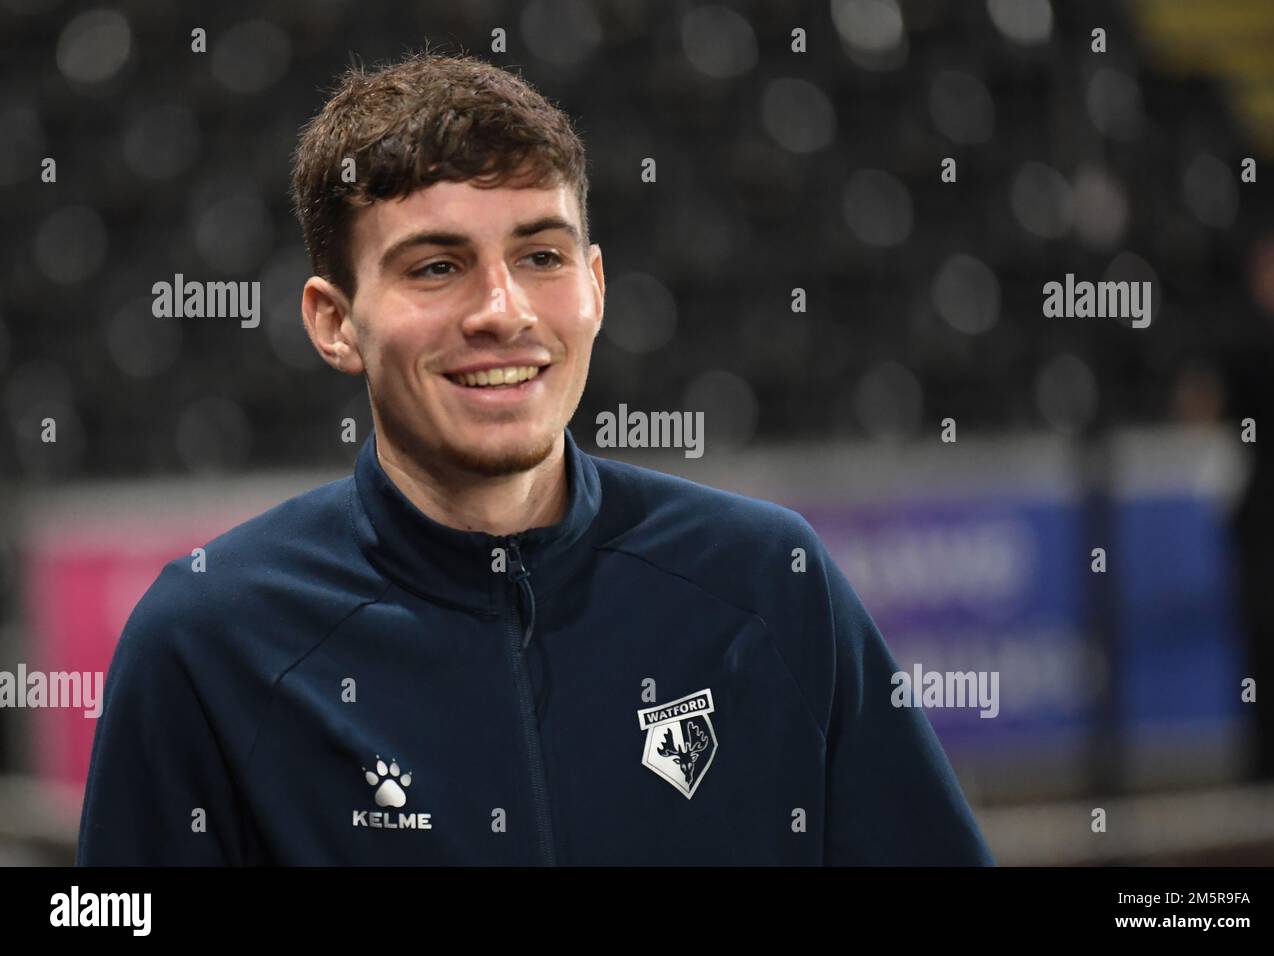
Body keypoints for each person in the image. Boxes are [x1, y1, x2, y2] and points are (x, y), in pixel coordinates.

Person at [76, 51, 993, 865]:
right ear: (333, 320)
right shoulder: (207, 642)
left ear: (594, 287)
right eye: (436, 267)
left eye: (542, 256)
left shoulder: (767, 583)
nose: (502, 310)